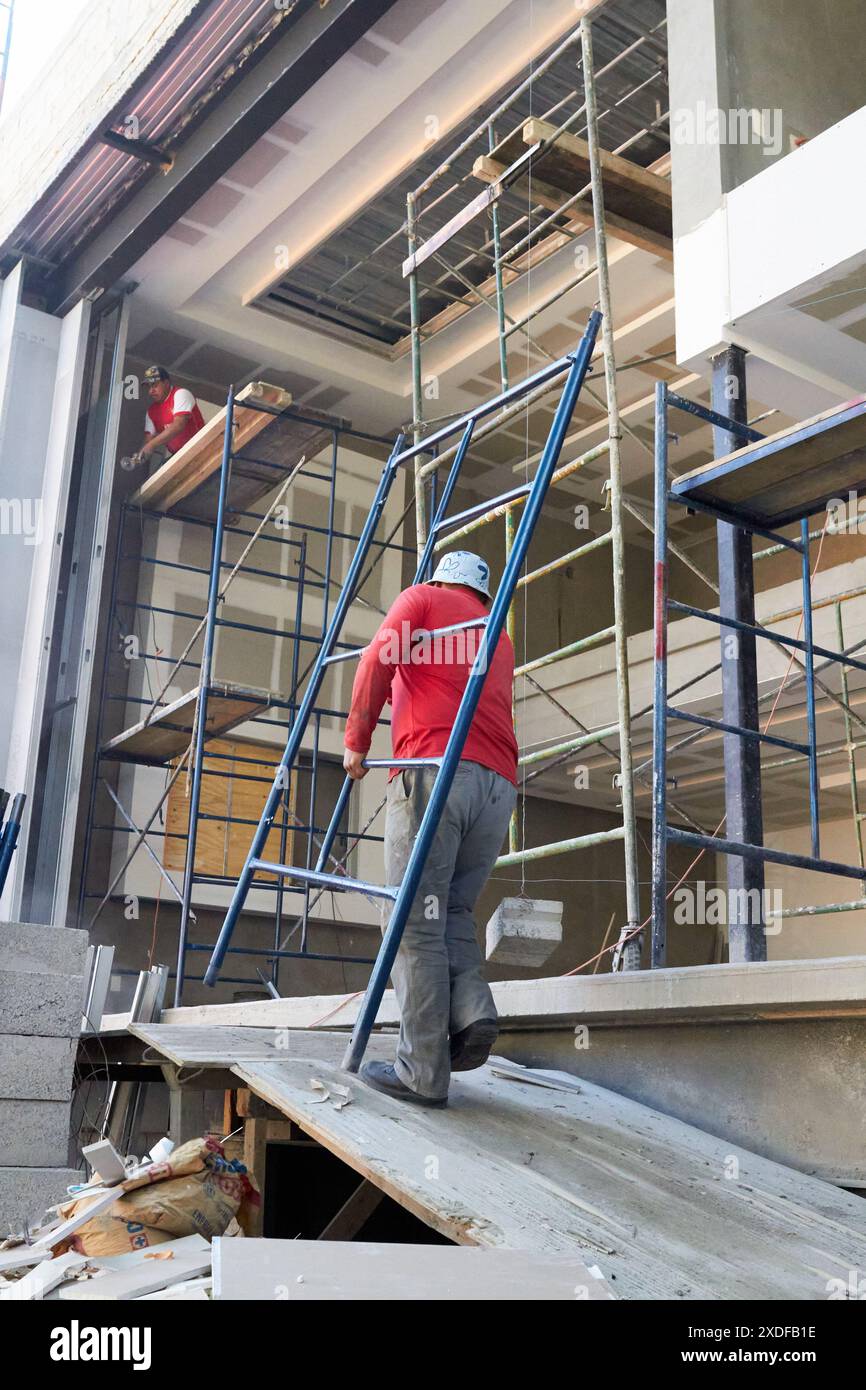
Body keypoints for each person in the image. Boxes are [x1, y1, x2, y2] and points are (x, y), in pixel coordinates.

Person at [343, 549, 517, 1108]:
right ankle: (473, 1013)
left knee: (415, 922)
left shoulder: (420, 599)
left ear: (439, 577)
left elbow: (375, 661)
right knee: (453, 912)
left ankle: (420, 1073)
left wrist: (356, 741)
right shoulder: (498, 633)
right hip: (498, 786)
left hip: (435, 773)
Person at [134, 365, 205, 466]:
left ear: (166, 383)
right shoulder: (151, 411)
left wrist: (151, 445)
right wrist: (139, 456)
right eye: (149, 387)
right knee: (158, 476)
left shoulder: (180, 394)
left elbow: (178, 425)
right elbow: (148, 440)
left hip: (200, 449)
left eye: (154, 385)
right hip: (178, 456)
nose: (151, 391)